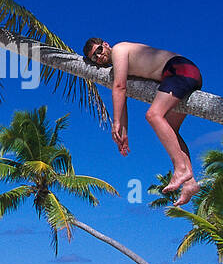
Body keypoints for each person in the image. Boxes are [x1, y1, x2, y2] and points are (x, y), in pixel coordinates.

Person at [82, 38, 203, 206]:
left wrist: (116, 122)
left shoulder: (119, 50)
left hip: (179, 69)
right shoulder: (118, 65)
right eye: (94, 58)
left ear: (106, 44)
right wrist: (123, 132)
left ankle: (181, 169)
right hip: (184, 73)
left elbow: (119, 87)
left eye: (99, 50)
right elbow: (122, 97)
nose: (99, 57)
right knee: (171, 130)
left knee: (153, 115)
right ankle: (190, 182)